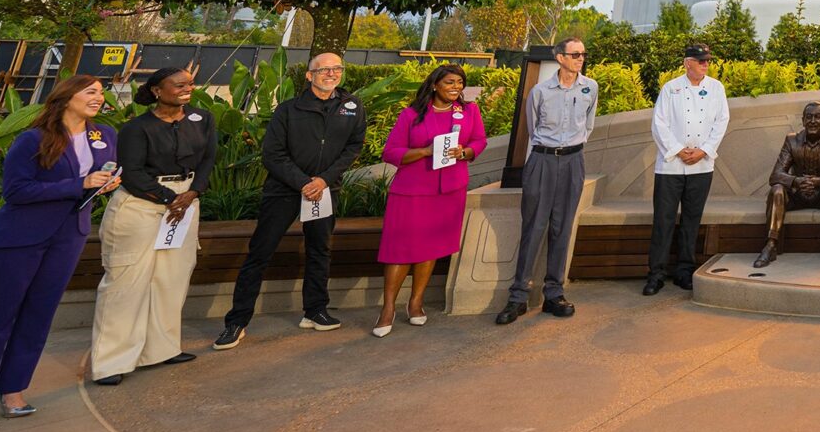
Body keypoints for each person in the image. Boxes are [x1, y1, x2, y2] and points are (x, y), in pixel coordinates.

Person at [0, 75, 121, 423]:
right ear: (67, 96)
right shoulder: (33, 139)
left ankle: (13, 389)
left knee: (38, 317)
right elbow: (16, 191)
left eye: (101, 93)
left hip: (68, 237)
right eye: (90, 92)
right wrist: (79, 184)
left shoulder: (104, 136)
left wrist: (104, 185)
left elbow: (96, 179)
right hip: (17, 238)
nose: (99, 98)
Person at [214, 53, 368, 348]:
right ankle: (237, 321)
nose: (331, 73)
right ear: (309, 76)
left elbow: (353, 147)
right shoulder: (289, 109)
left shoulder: (352, 106)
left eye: (337, 68)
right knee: (260, 254)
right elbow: (272, 154)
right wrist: (303, 182)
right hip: (285, 191)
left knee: (319, 251)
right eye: (324, 69)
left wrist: (322, 180)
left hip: (324, 190)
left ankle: (315, 310)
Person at [88, 65, 215, 386]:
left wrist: (192, 193)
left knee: (171, 280)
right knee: (126, 284)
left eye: (190, 83)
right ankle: (110, 361)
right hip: (141, 207)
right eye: (178, 84)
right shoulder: (136, 128)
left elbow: (208, 159)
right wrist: (168, 199)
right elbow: (131, 173)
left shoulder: (202, 118)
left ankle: (161, 349)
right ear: (158, 91)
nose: (187, 88)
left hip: (185, 203)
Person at [374, 65, 484, 336]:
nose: (456, 86)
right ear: (435, 85)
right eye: (450, 82)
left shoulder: (469, 111)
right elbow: (390, 152)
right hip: (412, 190)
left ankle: (416, 303)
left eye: (460, 82)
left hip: (449, 190)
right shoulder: (411, 114)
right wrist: (425, 150)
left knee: (431, 247)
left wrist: (465, 151)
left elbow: (480, 140)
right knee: (399, 249)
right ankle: (388, 308)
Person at [495, 38, 599, 324]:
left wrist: (571, 148)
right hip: (542, 159)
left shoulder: (591, 87)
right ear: (560, 57)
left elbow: (588, 125)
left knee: (562, 227)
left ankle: (554, 293)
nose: (581, 58)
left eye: (583, 54)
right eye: (575, 54)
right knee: (534, 226)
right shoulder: (540, 92)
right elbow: (533, 126)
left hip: (573, 161)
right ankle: (518, 296)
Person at [644, 42, 730, 295]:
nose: (705, 65)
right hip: (670, 166)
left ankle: (684, 271)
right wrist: (678, 150)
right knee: (663, 220)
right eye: (700, 60)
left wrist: (703, 150)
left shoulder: (716, 88)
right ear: (687, 63)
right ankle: (656, 274)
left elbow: (721, 121)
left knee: (692, 220)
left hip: (702, 165)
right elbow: (659, 124)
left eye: (707, 61)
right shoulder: (671, 89)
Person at [754, 102, 820, 267]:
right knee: (777, 189)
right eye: (809, 117)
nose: (813, 121)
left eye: (818, 117)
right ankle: (771, 244)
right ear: (803, 120)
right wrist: (796, 181)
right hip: (797, 194)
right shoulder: (792, 140)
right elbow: (775, 175)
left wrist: (819, 182)